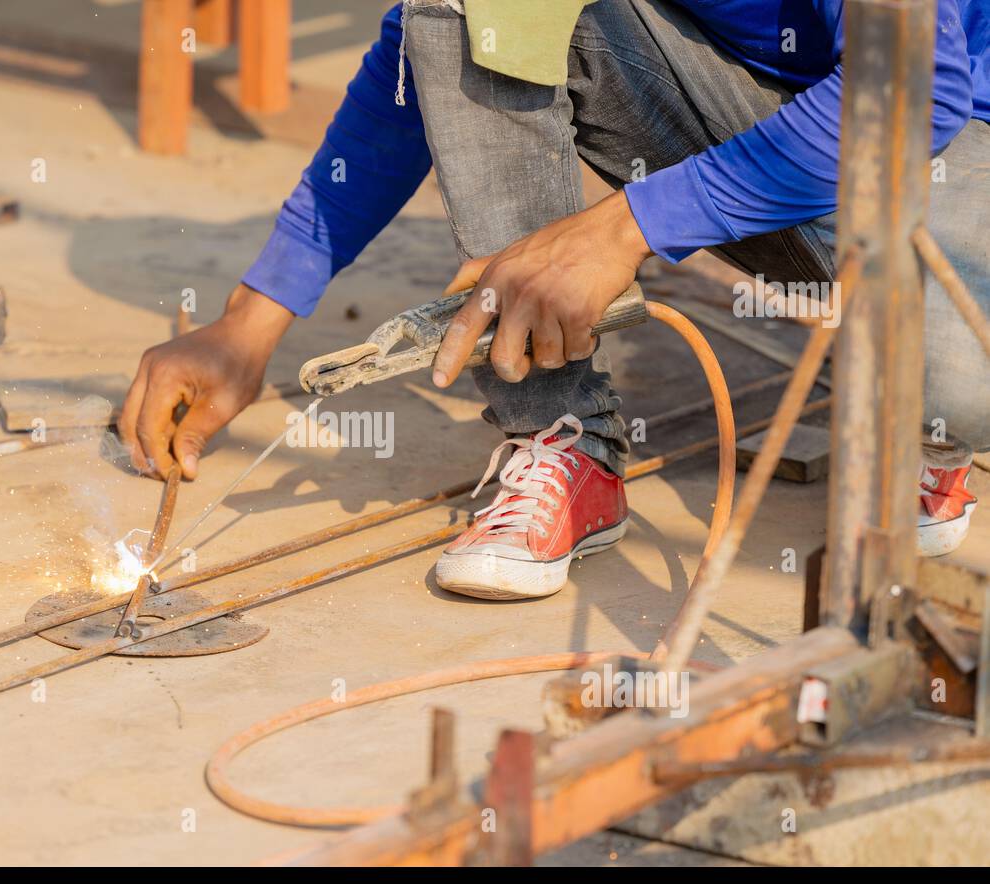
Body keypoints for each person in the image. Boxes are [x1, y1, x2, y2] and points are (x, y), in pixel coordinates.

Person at [120, 0, 989, 599]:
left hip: (945, 136)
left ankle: (931, 424)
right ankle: (559, 434)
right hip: (739, 106)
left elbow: (918, 90)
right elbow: (418, 52)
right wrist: (253, 317)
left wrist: (622, 229)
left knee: (958, 395)